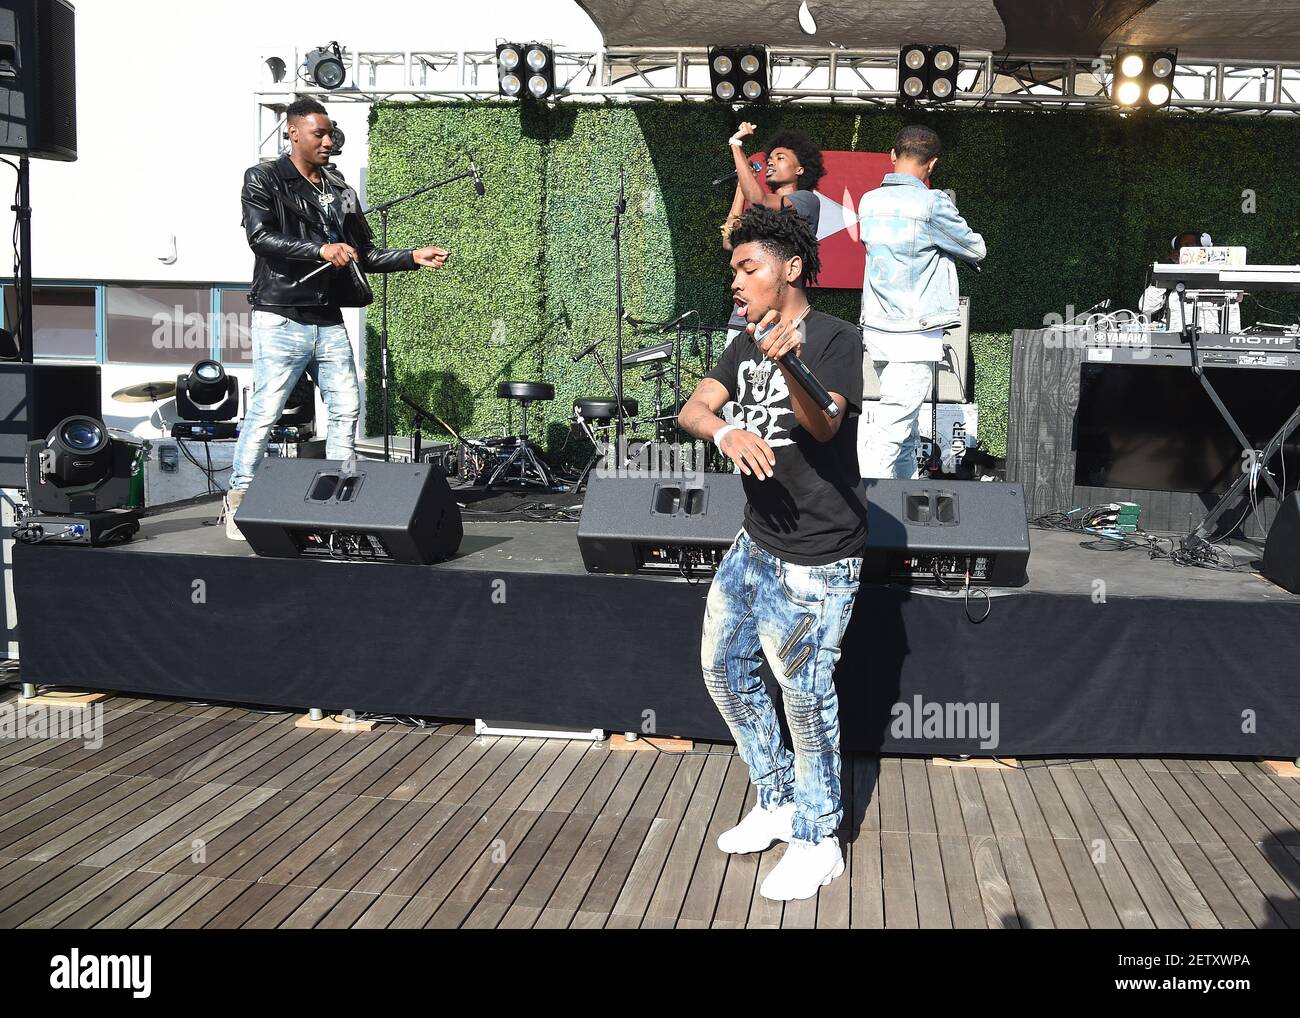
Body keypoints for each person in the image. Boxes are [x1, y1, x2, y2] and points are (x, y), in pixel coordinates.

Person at [678, 205, 866, 901]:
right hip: (754, 542)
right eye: (734, 269)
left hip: (818, 557)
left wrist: (791, 363)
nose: (736, 280)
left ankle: (818, 839)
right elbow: (694, 406)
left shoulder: (838, 339)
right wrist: (723, 433)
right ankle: (778, 801)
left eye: (747, 266)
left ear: (789, 269)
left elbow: (825, 422)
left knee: (806, 697)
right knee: (723, 670)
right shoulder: (742, 341)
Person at [224, 97, 450, 539]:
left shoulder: (338, 187)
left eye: (331, 134)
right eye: (319, 134)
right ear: (293, 132)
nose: (328, 142)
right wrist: (319, 249)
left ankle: (337, 492)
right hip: (281, 314)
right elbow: (260, 237)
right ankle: (240, 496)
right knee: (266, 411)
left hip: (327, 318)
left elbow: (360, 252)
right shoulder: (265, 178)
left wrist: (409, 256)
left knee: (346, 407)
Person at [856, 125, 985, 479]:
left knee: (904, 425)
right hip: (916, 330)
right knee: (893, 427)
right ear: (932, 164)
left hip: (879, 326)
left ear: (893, 156)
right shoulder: (932, 203)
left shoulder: (868, 202)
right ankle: (867, 512)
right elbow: (975, 247)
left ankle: (901, 499)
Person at [1140, 231, 1242, 333]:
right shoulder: (1170, 281)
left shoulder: (1219, 281)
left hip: (1213, 342)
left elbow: (1232, 320)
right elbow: (1146, 308)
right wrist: (1163, 273)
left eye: (1188, 246)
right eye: (1180, 247)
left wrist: (1233, 339)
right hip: (1175, 340)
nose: (1183, 250)